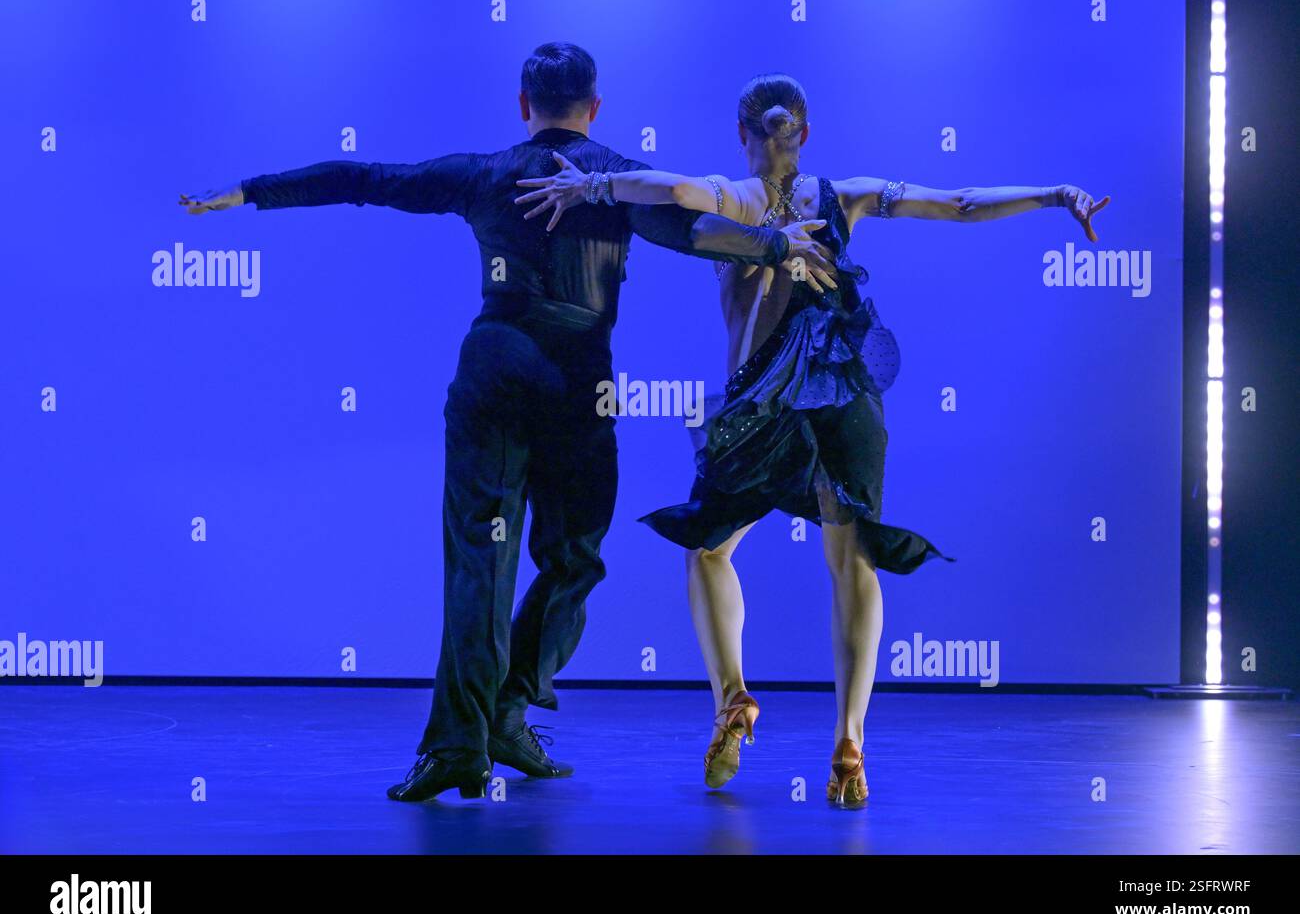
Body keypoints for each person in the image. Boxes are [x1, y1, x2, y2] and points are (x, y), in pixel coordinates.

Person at [179, 46, 839, 802]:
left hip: (495, 372)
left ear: (524, 105)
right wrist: (775, 242)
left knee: (479, 566)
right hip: (578, 384)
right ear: (595, 108)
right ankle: (501, 711)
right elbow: (693, 231)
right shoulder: (616, 177)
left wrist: (245, 192)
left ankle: (474, 735)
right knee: (574, 561)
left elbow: (366, 180)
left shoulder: (488, 172)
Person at [516, 71, 1109, 806]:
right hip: (816, 401)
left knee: (722, 553)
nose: (776, 138)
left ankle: (753, 706)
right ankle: (842, 740)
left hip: (785, 402)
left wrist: (594, 188)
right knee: (835, 560)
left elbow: (670, 190)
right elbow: (954, 205)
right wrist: (1056, 195)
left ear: (750, 134)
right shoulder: (818, 196)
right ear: (795, 133)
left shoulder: (749, 196)